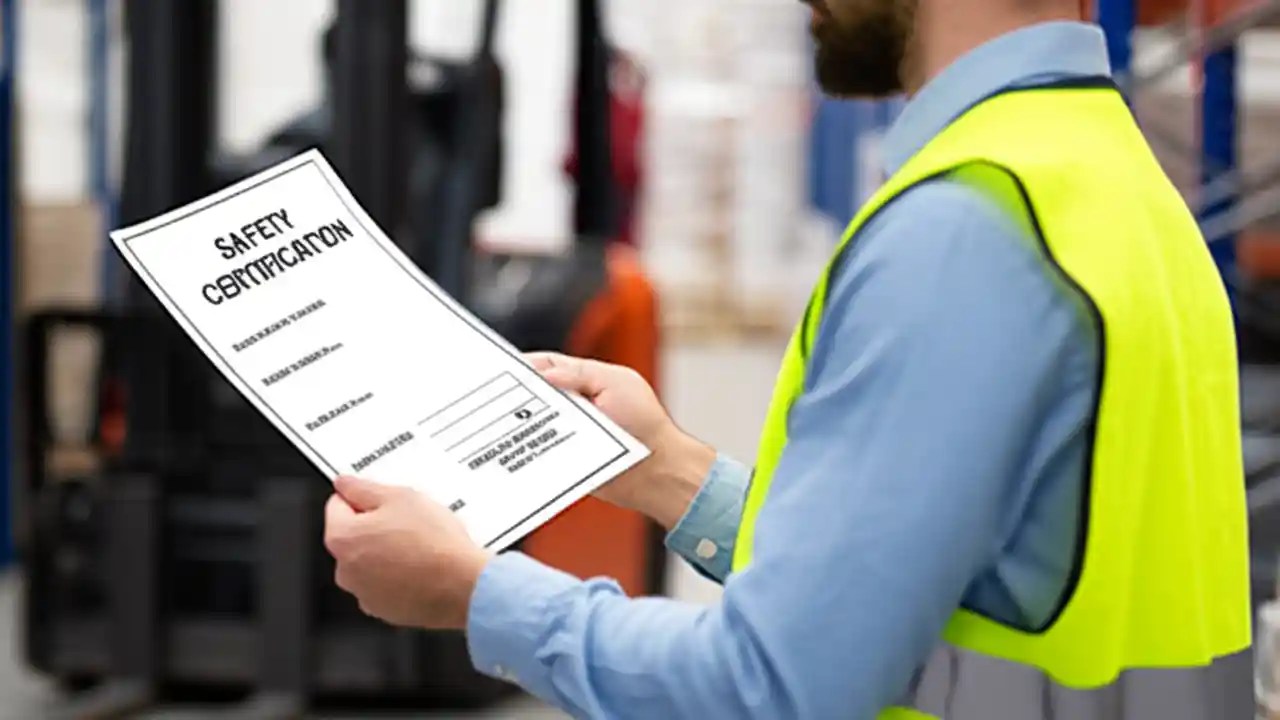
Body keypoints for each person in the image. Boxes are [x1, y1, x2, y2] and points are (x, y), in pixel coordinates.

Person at [322, 0, 1254, 717]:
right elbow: (944, 623)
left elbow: (771, 688)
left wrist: (477, 594)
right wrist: (673, 474)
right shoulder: (1115, 187)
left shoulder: (961, 229)